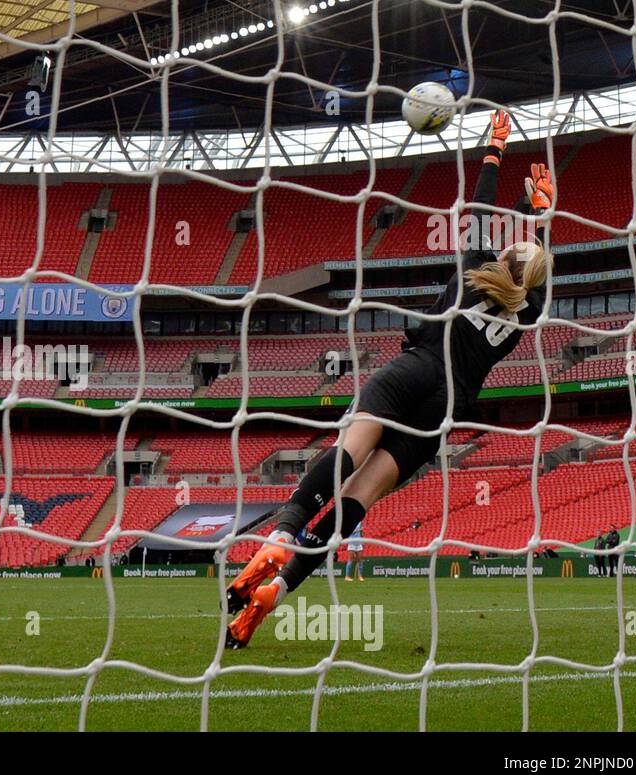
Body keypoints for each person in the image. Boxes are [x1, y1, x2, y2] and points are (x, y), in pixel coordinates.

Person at [223, 111, 554, 649]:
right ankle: (277, 592)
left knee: (348, 451)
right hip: (446, 408)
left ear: (505, 256)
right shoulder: (526, 316)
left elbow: (481, 209)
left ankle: (282, 534)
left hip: (416, 368)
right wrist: (540, 218)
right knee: (361, 495)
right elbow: (532, 274)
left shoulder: (473, 269)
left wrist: (494, 149)